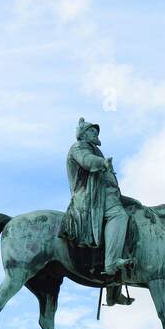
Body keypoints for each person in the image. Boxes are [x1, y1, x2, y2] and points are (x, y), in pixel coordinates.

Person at [60, 118, 133, 288]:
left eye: (96, 131)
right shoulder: (79, 147)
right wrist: (103, 163)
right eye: (92, 131)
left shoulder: (95, 150)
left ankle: (114, 290)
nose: (96, 133)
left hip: (106, 196)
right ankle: (111, 263)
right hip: (89, 198)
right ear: (83, 134)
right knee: (119, 215)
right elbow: (87, 161)